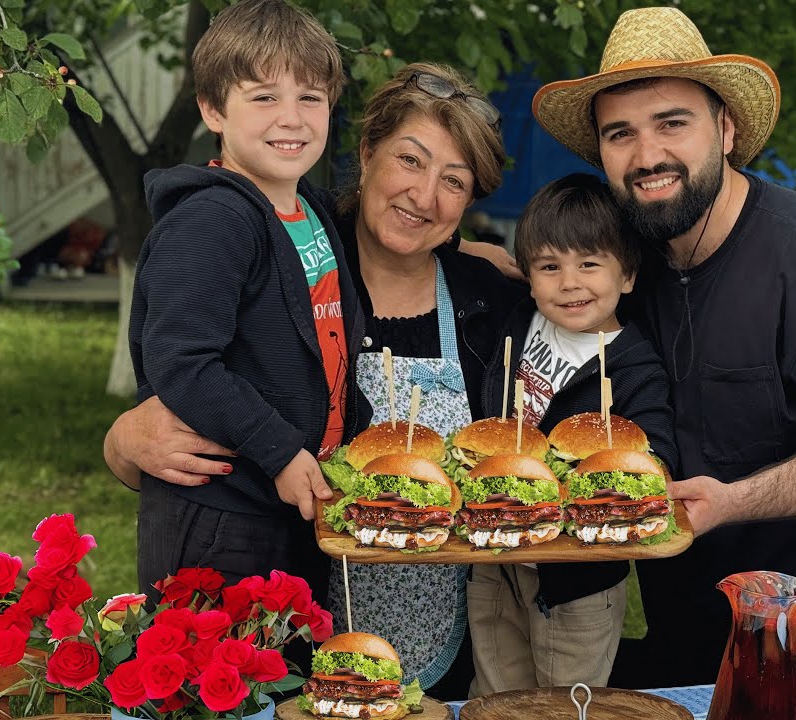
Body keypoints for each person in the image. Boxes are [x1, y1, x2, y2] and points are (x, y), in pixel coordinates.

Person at [105, 63, 523, 700]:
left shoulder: (491, 299)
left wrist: (471, 252)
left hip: (460, 629)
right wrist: (121, 443)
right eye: (410, 160)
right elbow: (192, 372)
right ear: (367, 154)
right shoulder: (294, 266)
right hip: (296, 609)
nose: (424, 196)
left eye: (454, 181)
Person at [531, 7, 796, 686]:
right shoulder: (628, 262)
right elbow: (548, 275)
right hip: (681, 647)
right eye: (621, 134)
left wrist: (734, 501)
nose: (647, 156)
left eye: (672, 123)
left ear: (727, 129)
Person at [119, 0, 366, 641]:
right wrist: (280, 451)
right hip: (220, 517)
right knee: (223, 681)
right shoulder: (213, 219)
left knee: (289, 679)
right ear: (212, 110)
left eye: (311, 97)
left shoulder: (307, 208)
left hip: (287, 502)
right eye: (264, 98)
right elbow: (181, 360)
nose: (292, 118)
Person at [468, 172, 678, 695]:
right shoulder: (521, 319)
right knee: (495, 693)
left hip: (578, 581)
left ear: (627, 275)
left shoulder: (636, 368)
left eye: (589, 263)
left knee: (567, 700)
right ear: (528, 276)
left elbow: (658, 458)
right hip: (494, 558)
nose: (568, 282)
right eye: (549, 266)